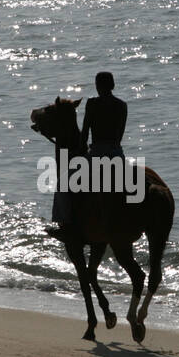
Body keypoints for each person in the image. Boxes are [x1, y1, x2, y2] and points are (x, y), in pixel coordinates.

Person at [49, 71, 128, 239]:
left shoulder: (92, 104)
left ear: (97, 86)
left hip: (97, 154)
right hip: (117, 155)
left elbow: (84, 135)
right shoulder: (122, 105)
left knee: (63, 183)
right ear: (113, 86)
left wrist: (78, 151)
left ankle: (64, 225)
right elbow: (120, 135)